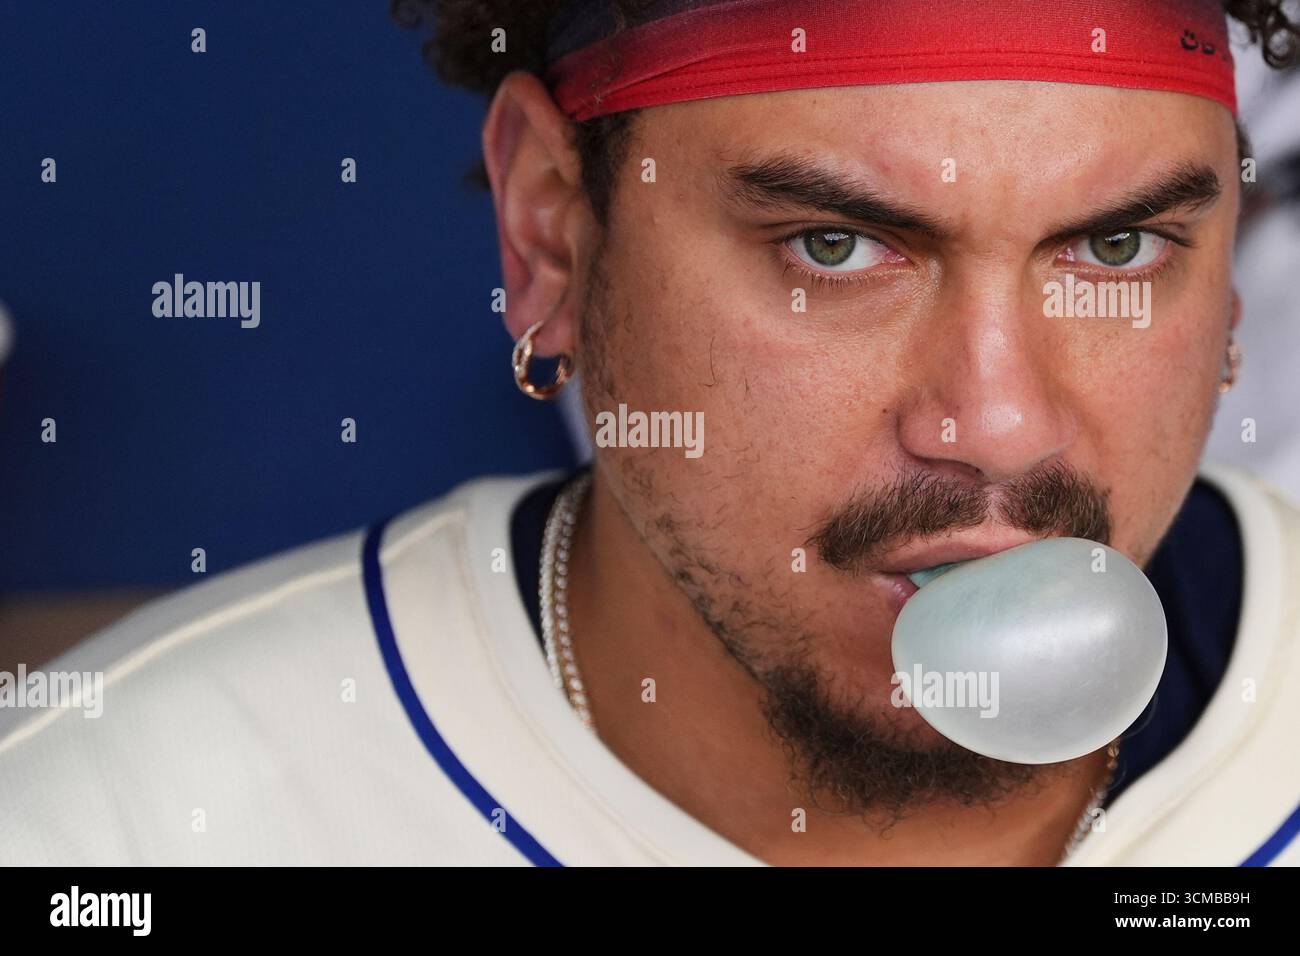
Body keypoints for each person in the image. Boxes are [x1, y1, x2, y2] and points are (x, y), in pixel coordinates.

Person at [2, 0, 1298, 866]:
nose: (1001, 428)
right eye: (835, 248)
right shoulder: (110, 820)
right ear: (552, 230)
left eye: (1118, 248)